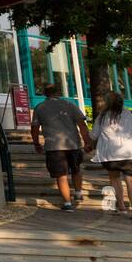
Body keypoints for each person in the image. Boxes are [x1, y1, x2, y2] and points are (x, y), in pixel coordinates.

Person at [88, 91, 132, 222]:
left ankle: (121, 206)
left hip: (110, 154)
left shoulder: (101, 117)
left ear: (107, 103)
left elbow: (93, 135)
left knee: (114, 179)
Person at [30, 83, 91, 211]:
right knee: (76, 169)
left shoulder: (40, 108)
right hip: (73, 143)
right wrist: (87, 141)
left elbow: (34, 128)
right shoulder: (70, 105)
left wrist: (36, 143)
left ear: (45, 94)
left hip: (54, 146)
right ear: (59, 92)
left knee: (61, 175)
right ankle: (78, 192)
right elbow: (82, 125)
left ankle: (67, 203)